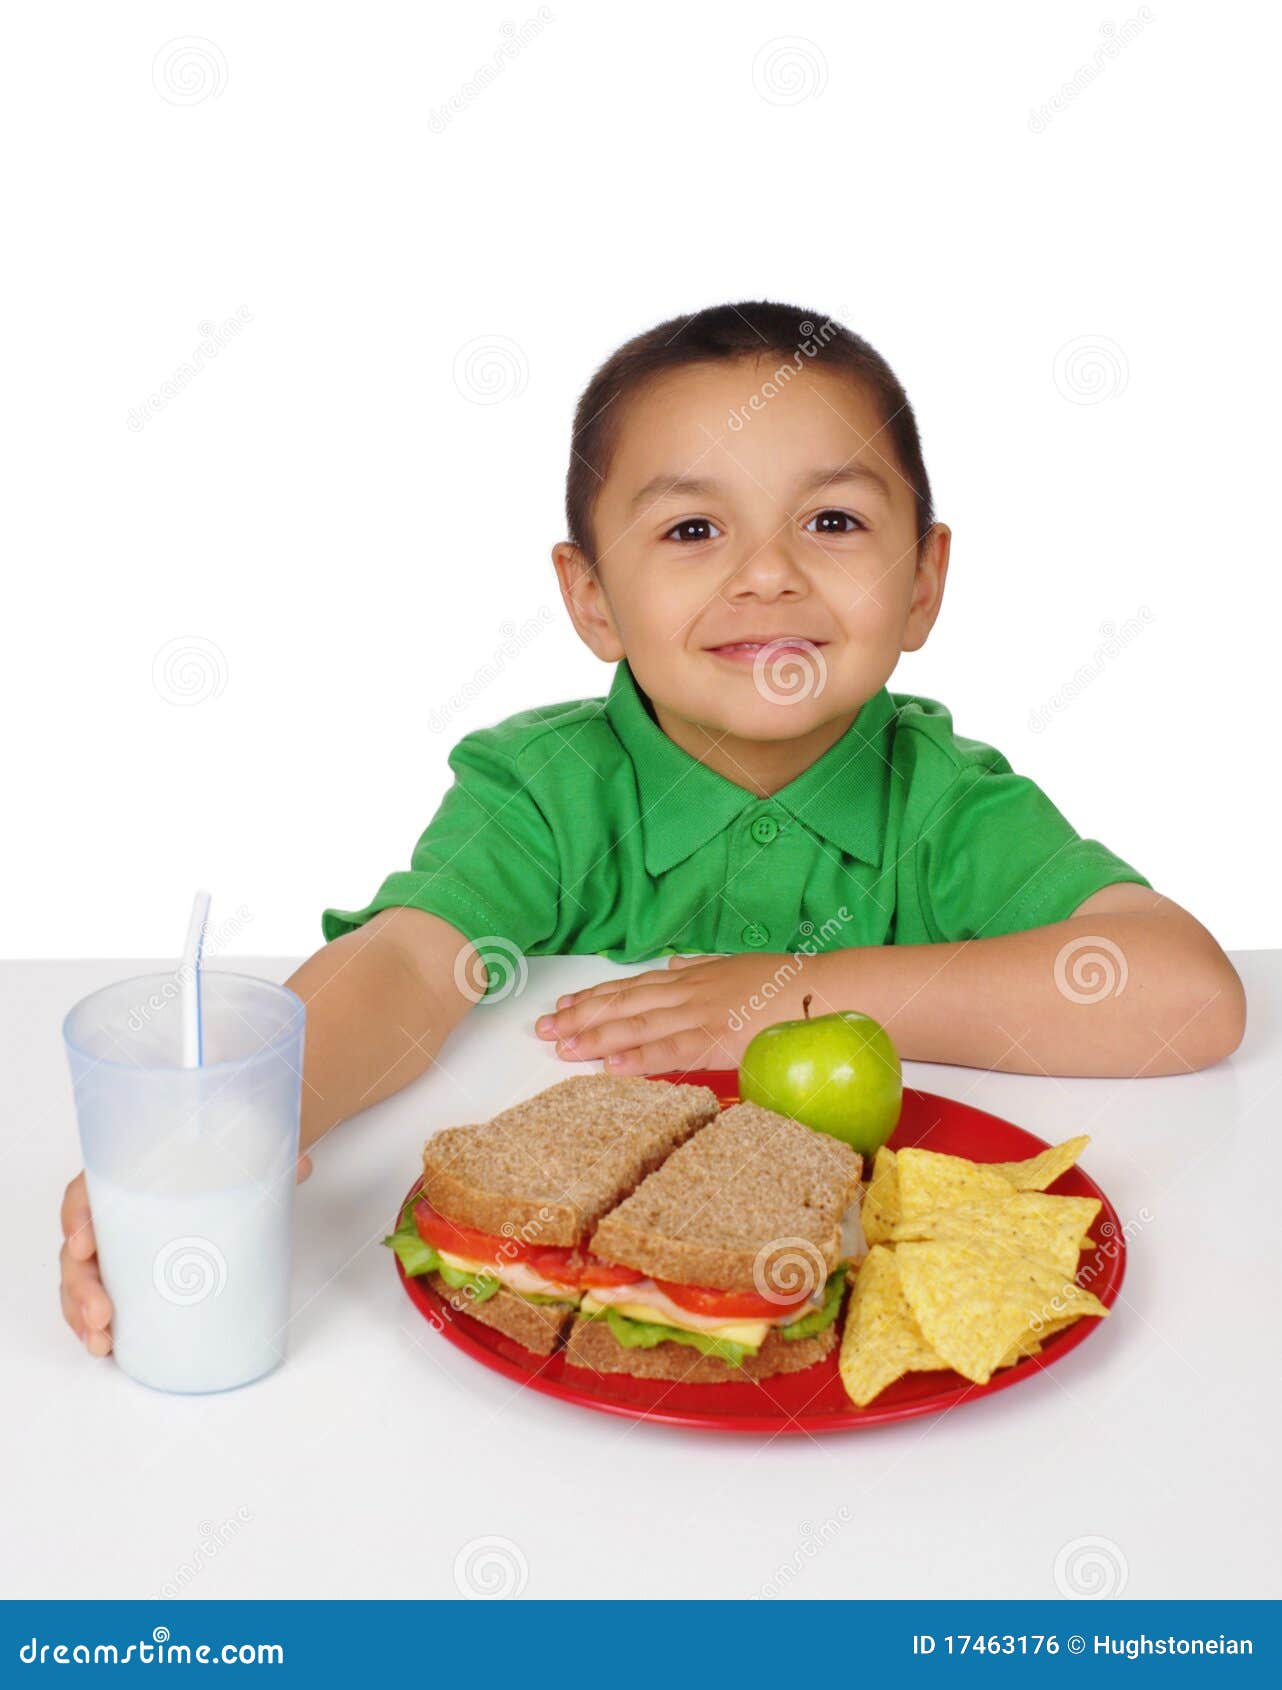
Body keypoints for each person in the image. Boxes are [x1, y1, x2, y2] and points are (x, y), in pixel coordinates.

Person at [60, 302, 1245, 1354]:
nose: (768, 573)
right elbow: (414, 962)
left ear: (924, 582)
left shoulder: (944, 800)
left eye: (831, 521)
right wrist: (236, 1124)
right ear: (591, 597)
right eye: (691, 532)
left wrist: (804, 993)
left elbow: (1183, 995)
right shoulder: (545, 788)